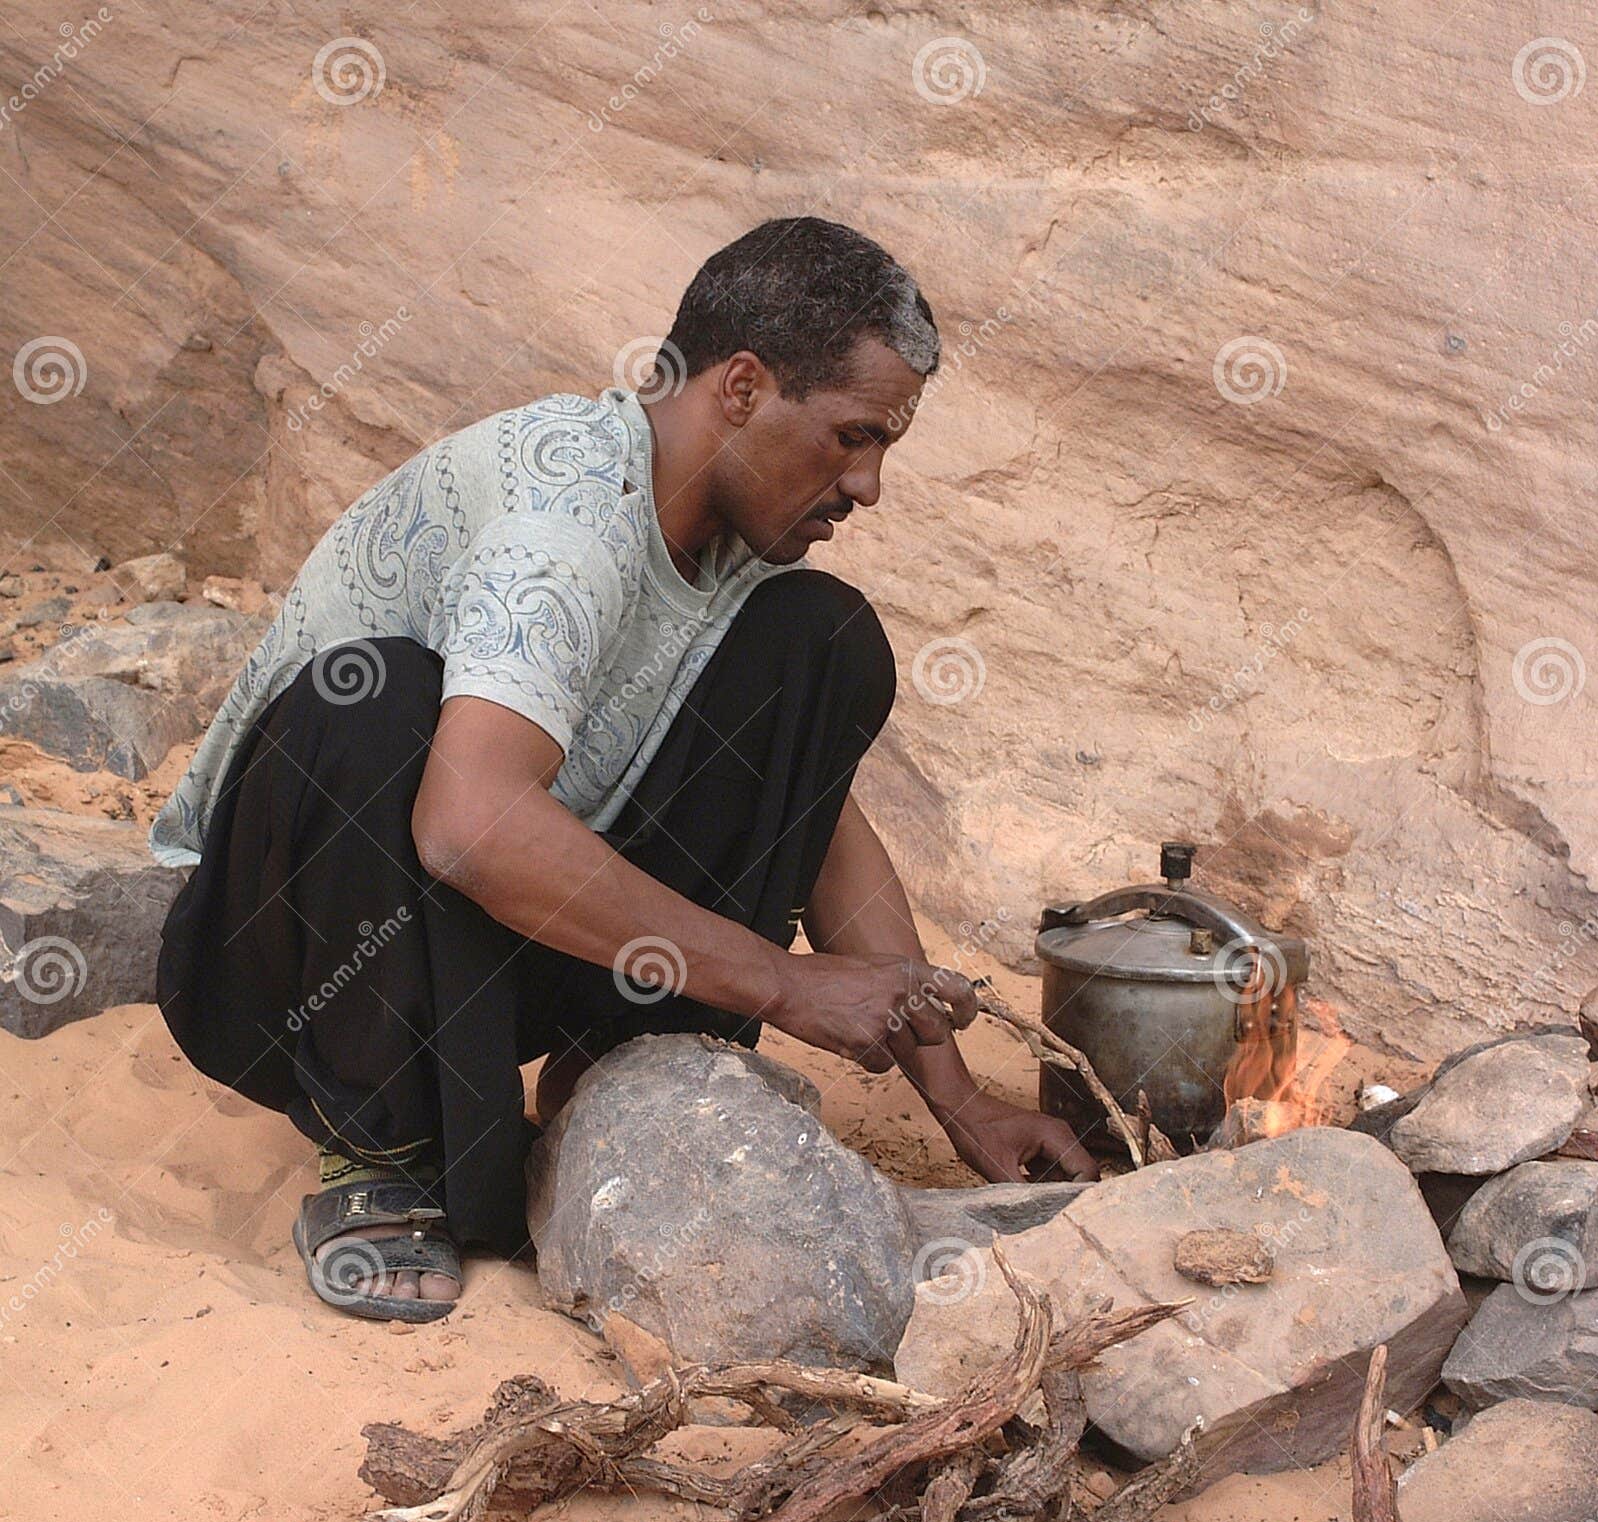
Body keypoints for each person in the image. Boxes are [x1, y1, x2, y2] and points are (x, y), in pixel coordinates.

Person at [152, 215, 1098, 1325]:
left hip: (482, 947)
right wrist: (782, 981)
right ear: (741, 387)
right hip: (287, 964)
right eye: (850, 437)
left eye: (883, 445)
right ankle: (382, 1149)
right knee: (378, 700)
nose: (870, 483)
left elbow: (820, 823)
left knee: (822, 642)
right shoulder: (569, 518)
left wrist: (960, 1100)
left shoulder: (736, 535)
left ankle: (612, 1076)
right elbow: (468, 825)